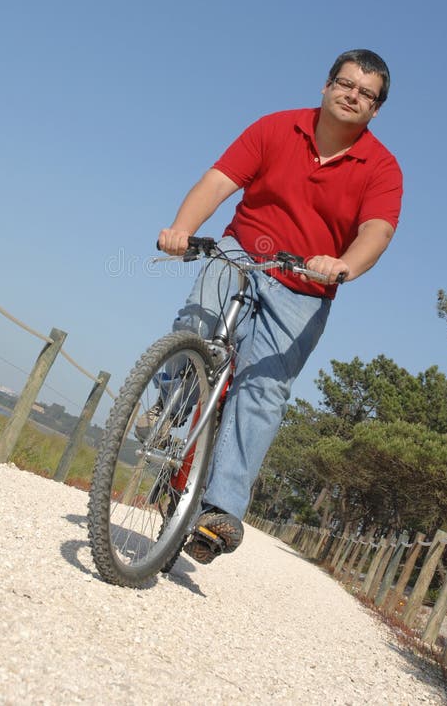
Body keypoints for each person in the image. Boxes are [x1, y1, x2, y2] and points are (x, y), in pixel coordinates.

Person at [155, 49, 402, 564]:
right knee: (197, 323)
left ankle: (217, 512)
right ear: (326, 84)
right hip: (244, 249)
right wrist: (183, 228)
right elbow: (220, 180)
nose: (352, 94)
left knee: (263, 388)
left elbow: (376, 231)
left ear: (375, 109)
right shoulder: (276, 127)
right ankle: (168, 405)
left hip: (307, 284)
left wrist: (343, 265)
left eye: (365, 93)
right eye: (345, 82)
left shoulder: (381, 167)